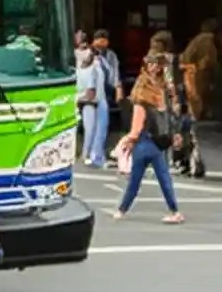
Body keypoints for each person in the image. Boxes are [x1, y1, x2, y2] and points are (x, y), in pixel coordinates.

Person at [113, 51, 185, 224]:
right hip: (158, 142)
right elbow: (173, 110)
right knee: (163, 177)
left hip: (143, 142)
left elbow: (137, 126)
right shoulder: (163, 94)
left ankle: (122, 210)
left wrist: (129, 141)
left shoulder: (141, 99)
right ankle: (175, 211)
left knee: (135, 181)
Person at [89, 29, 122, 160]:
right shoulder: (88, 53)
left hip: (106, 91)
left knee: (104, 122)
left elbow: (115, 73)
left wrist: (118, 89)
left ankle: (100, 151)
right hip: (90, 91)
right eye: (100, 40)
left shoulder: (111, 55)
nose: (102, 43)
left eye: (105, 40)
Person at [181, 19, 218, 121]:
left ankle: (196, 114)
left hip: (190, 67)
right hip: (196, 69)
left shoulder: (198, 39)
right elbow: (208, 57)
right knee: (198, 92)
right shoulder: (207, 39)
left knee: (194, 93)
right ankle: (196, 115)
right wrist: (207, 69)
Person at [76, 43, 103, 167]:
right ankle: (84, 153)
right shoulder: (84, 69)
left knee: (89, 129)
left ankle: (85, 153)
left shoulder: (93, 68)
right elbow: (90, 92)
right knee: (89, 129)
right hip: (85, 101)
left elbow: (91, 91)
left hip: (86, 102)